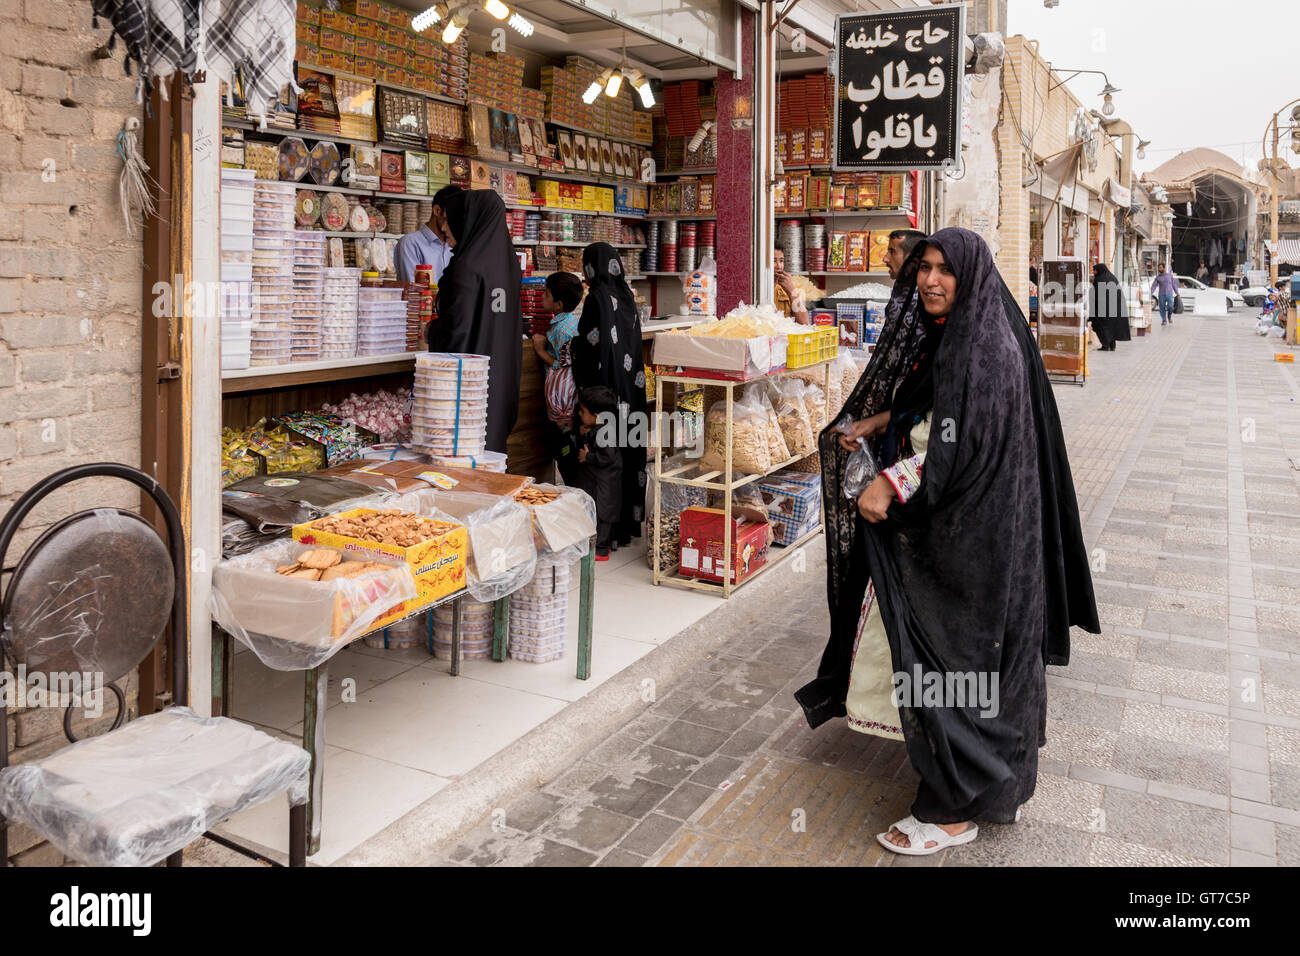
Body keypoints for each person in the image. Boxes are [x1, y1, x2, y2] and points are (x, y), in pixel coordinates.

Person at [795, 227, 1100, 855]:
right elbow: (942, 404)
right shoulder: (965, 334)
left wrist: (891, 484)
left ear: (971, 277)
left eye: (944, 271)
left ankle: (954, 810)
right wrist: (885, 420)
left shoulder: (981, 349)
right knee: (957, 663)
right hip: (983, 536)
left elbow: (957, 448)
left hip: (974, 539)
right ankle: (964, 786)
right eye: (923, 268)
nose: (930, 280)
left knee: (951, 659)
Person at [429, 189, 523, 453]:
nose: (444, 227)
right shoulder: (509, 265)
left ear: (467, 219)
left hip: (468, 390)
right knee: (491, 453)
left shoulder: (467, 268)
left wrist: (432, 330)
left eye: (449, 219)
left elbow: (455, 333)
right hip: (501, 379)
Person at [571, 242, 648, 547]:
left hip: (605, 392)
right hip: (632, 389)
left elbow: (589, 345)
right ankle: (626, 526)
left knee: (602, 462)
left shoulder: (596, 299)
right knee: (626, 454)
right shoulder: (626, 296)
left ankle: (606, 534)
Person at [532, 271, 585, 484]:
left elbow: (563, 365)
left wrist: (539, 350)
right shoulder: (573, 322)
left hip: (564, 405)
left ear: (559, 305)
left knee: (565, 453)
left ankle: (573, 488)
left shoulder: (561, 331)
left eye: (546, 294)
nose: (542, 297)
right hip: (572, 402)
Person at [572, 386, 623, 561]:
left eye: (583, 411)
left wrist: (588, 456)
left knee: (603, 514)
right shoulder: (599, 428)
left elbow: (607, 456)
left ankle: (601, 549)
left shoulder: (605, 432)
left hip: (604, 482)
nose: (579, 414)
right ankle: (594, 545)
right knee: (594, 511)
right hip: (595, 480)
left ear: (596, 416)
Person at [394, 184, 463, 283]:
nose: (455, 223)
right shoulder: (410, 244)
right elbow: (414, 291)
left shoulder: (454, 245)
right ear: (437, 211)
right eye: (452, 217)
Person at [1089, 263, 1129, 351]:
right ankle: (1112, 345)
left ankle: (1105, 345)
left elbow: (1097, 296)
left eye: (1094, 270)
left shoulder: (1100, 279)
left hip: (1104, 308)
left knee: (1101, 326)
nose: (1093, 272)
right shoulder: (1112, 277)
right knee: (1111, 326)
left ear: (1099, 270)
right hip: (1115, 308)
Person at [773, 246, 810, 324]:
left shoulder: (786, 289)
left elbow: (804, 323)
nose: (779, 266)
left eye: (781, 261)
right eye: (774, 261)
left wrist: (791, 291)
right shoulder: (756, 289)